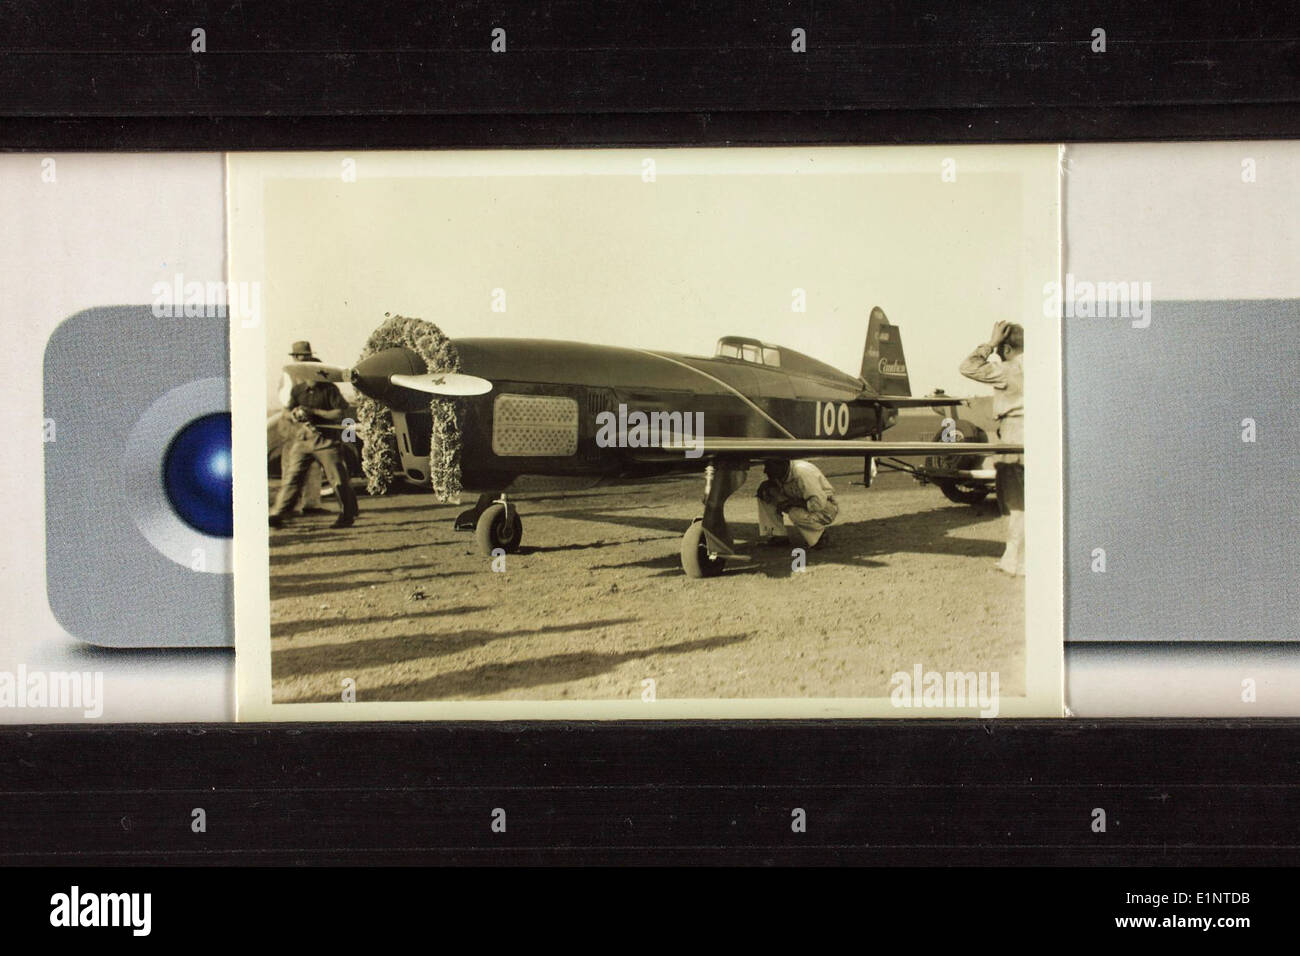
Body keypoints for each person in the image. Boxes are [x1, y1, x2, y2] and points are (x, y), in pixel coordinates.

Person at [959, 320, 1025, 576]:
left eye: (1000, 351)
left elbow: (967, 367)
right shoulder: (1043, 367)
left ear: (1007, 349)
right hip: (1041, 434)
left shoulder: (1008, 370)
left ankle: (1016, 562)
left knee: (1015, 502)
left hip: (1014, 436)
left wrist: (990, 344)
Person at [269, 343, 359, 530]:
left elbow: (339, 413)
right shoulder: (297, 390)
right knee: (292, 477)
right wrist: (294, 415)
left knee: (338, 479)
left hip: (326, 441)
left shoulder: (329, 390)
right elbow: (286, 411)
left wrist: (314, 412)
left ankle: (348, 514)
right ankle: (278, 514)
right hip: (302, 440)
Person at [278, 341, 328, 515]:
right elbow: (286, 400)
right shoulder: (290, 373)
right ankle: (293, 505)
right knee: (294, 465)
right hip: (294, 422)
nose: (305, 358)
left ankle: (311, 504)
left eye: (307, 355)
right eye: (303, 356)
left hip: (311, 422)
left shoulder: (314, 370)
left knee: (313, 463)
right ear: (297, 357)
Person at [756, 459, 838, 548]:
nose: (765, 471)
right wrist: (766, 484)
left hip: (825, 509)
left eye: (769, 467)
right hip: (799, 501)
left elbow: (818, 503)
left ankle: (820, 538)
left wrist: (791, 503)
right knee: (766, 493)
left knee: (795, 514)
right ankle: (778, 536)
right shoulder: (783, 471)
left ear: (782, 464)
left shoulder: (803, 473)